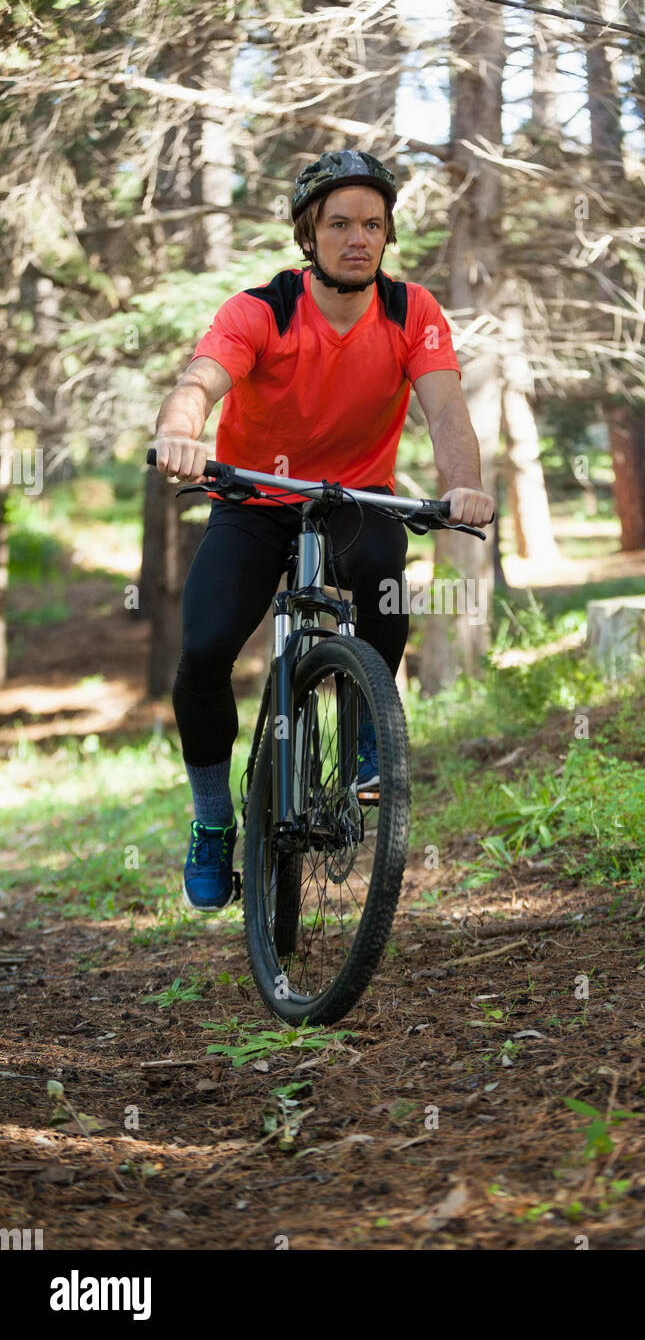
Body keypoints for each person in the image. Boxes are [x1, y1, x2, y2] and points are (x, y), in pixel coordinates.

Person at [151, 148, 495, 911]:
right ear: (309, 234)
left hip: (354, 497)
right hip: (254, 496)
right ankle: (213, 822)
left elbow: (444, 410)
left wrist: (463, 486)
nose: (358, 239)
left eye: (372, 224)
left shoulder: (412, 313)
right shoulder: (263, 308)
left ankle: (367, 727)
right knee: (204, 649)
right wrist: (181, 432)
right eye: (340, 223)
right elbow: (200, 382)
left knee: (383, 575)